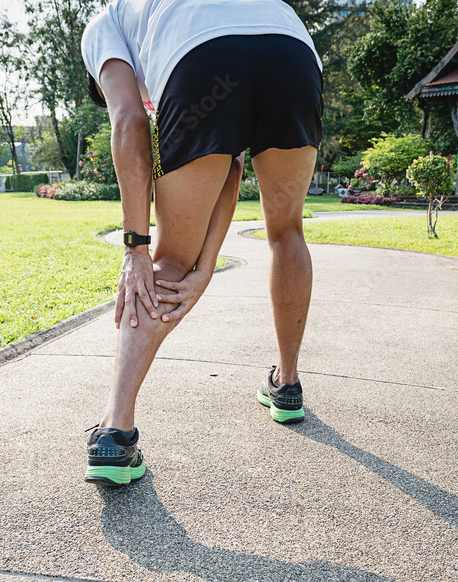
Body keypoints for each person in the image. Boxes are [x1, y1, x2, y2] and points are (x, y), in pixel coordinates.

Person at [81, 0, 323, 487]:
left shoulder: (101, 25)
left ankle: (115, 433)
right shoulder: (158, 14)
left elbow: (129, 122)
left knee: (167, 260)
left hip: (202, 59)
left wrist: (136, 249)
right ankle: (287, 387)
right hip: (292, 55)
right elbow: (231, 165)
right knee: (288, 231)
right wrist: (207, 266)